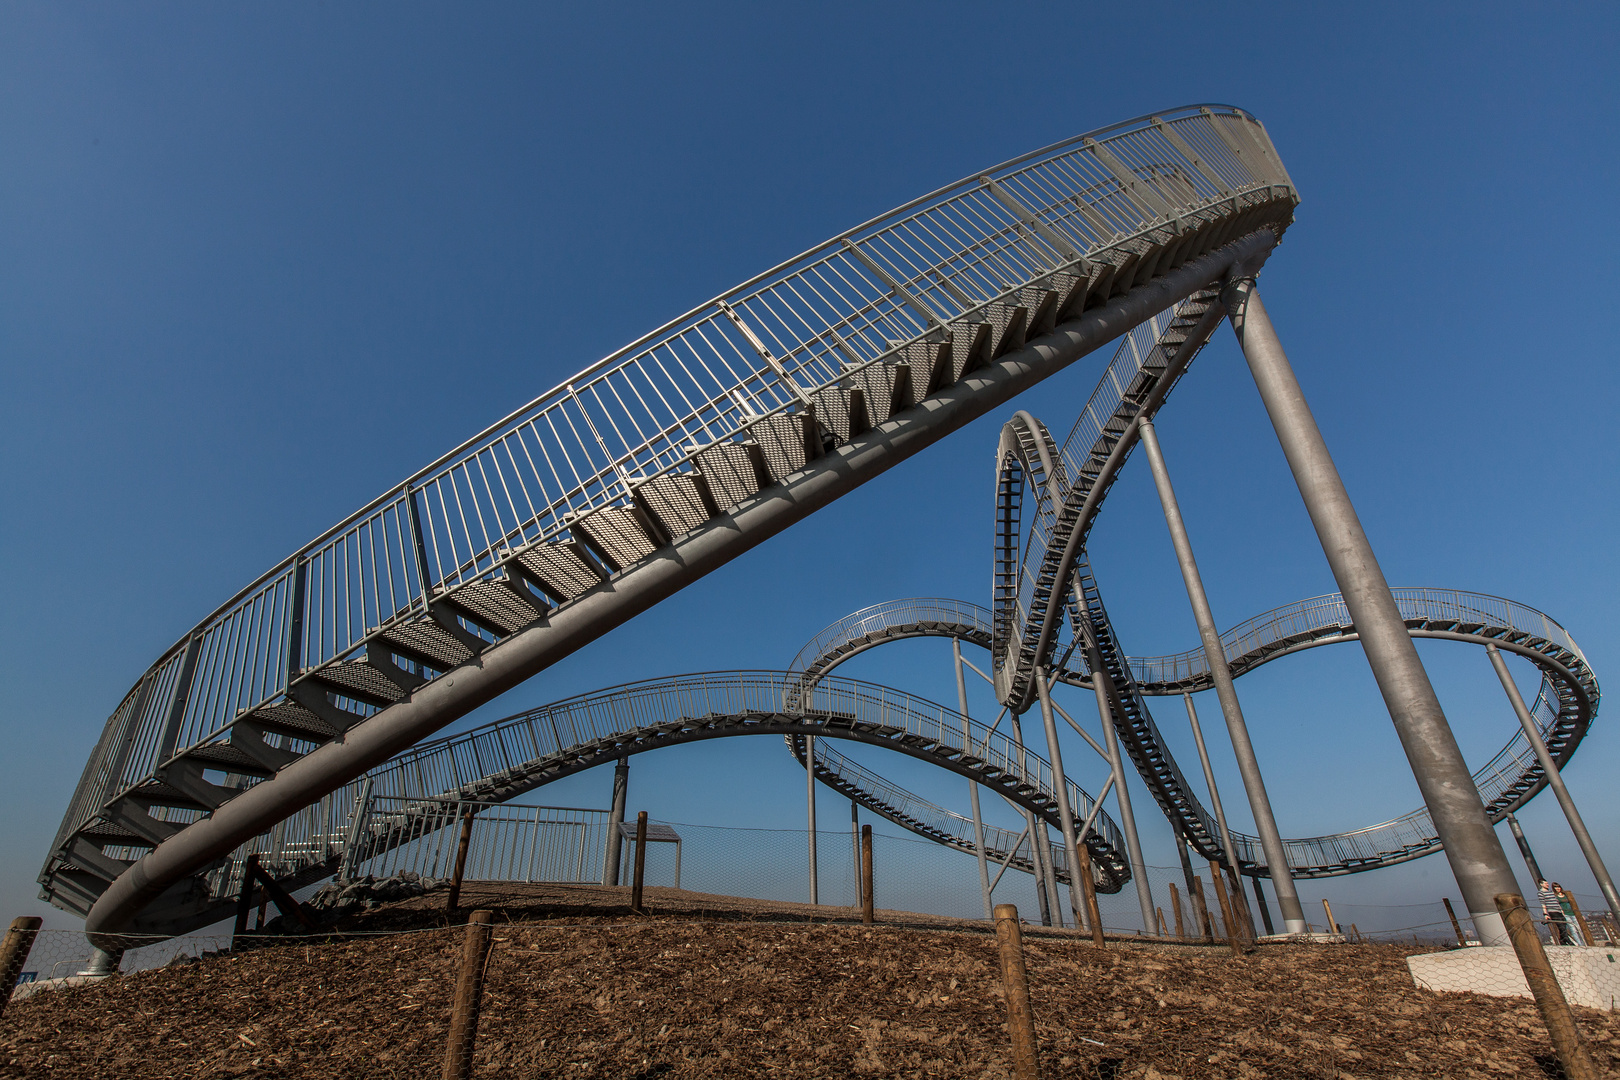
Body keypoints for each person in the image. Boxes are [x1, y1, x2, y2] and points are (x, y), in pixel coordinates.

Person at [1539, 879, 1573, 944]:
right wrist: (1545, 914)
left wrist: (1561, 910)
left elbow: (1556, 902)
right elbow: (1543, 904)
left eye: (1547, 883)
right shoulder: (1541, 893)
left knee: (1564, 924)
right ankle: (1567, 939)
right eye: (1546, 883)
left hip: (1558, 910)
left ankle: (1562, 940)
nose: (1547, 885)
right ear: (1541, 884)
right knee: (1560, 926)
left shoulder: (1551, 892)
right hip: (1552, 911)